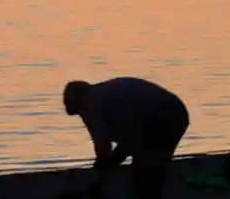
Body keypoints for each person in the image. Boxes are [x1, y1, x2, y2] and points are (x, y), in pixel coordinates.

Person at [62, 77, 190, 199]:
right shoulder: (102, 95)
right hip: (176, 110)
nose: (83, 117)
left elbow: (104, 148)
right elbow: (128, 140)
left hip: (159, 115)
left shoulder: (91, 102)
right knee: (153, 167)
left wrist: (101, 174)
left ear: (78, 101)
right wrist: (112, 161)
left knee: (146, 172)